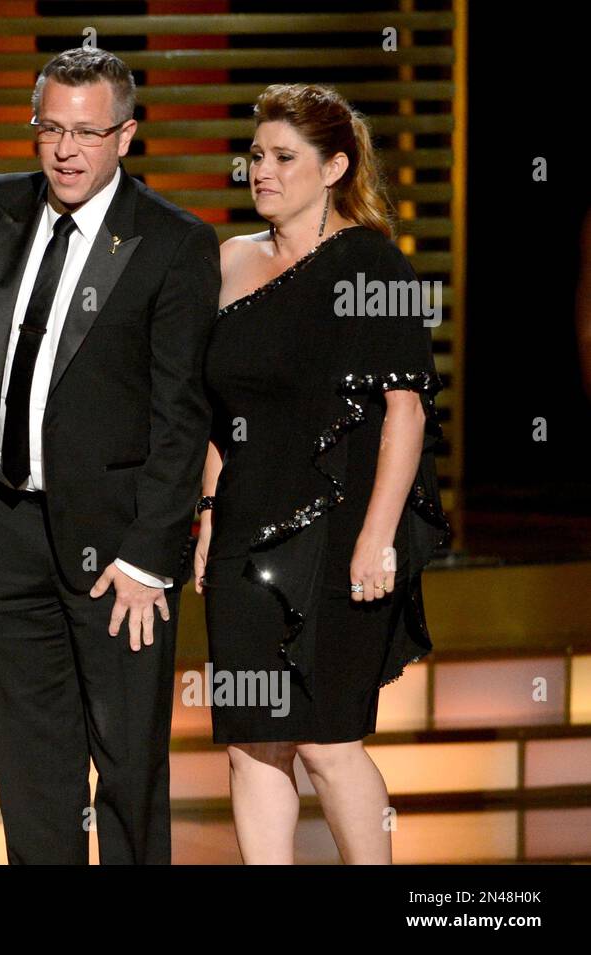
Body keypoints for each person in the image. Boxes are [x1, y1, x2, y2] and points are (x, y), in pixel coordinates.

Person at [0, 47, 220, 864]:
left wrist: (152, 556)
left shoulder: (173, 242)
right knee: (30, 771)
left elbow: (182, 414)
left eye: (88, 131)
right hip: (9, 535)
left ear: (127, 134)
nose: (67, 150)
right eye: (51, 129)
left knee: (126, 766)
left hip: (119, 551)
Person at [193, 83, 450, 864]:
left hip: (342, 536)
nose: (261, 171)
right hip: (242, 534)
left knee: (327, 741)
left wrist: (377, 539)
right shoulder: (230, 261)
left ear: (335, 165)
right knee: (252, 742)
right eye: (256, 156)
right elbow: (217, 410)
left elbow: (405, 410)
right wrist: (206, 512)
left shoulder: (373, 261)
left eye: (282, 158)